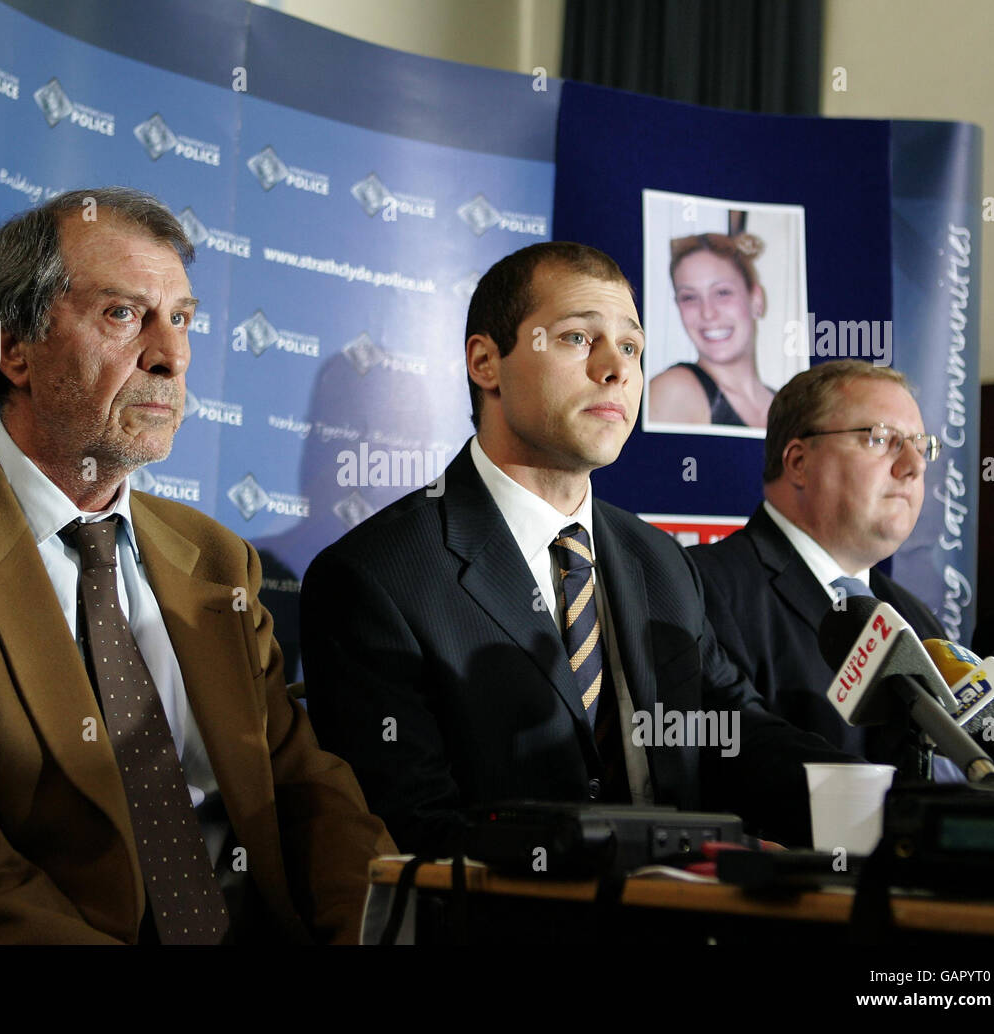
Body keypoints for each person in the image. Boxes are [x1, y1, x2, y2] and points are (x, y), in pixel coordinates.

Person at [0, 187, 393, 944]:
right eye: (123, 314)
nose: (171, 356)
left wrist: (378, 929)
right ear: (13, 348)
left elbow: (305, 793)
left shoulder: (215, 559)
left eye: (183, 319)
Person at [300, 241, 853, 859]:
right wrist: (650, 862)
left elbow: (735, 733)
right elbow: (413, 829)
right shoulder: (375, 578)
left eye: (632, 347)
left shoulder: (662, 563)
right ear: (486, 362)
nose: (615, 368)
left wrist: (886, 803)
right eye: (576, 339)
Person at [688, 360, 947, 774]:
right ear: (798, 462)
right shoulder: (704, 587)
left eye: (922, 445)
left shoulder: (918, 623)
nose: (913, 465)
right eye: (881, 439)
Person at [647, 232, 773, 428]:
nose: (707, 313)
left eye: (722, 292)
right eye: (689, 297)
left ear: (756, 300)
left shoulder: (788, 405)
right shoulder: (674, 391)